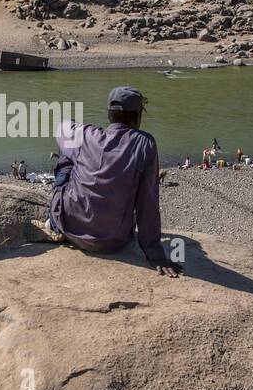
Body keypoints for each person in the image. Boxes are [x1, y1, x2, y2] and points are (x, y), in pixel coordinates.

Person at [36, 87, 181, 277]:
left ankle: (54, 224)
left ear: (108, 114)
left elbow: (61, 128)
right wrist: (155, 253)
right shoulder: (145, 144)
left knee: (67, 156)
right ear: (137, 117)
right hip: (114, 241)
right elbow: (148, 203)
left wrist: (79, 128)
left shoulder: (86, 135)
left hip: (71, 230)